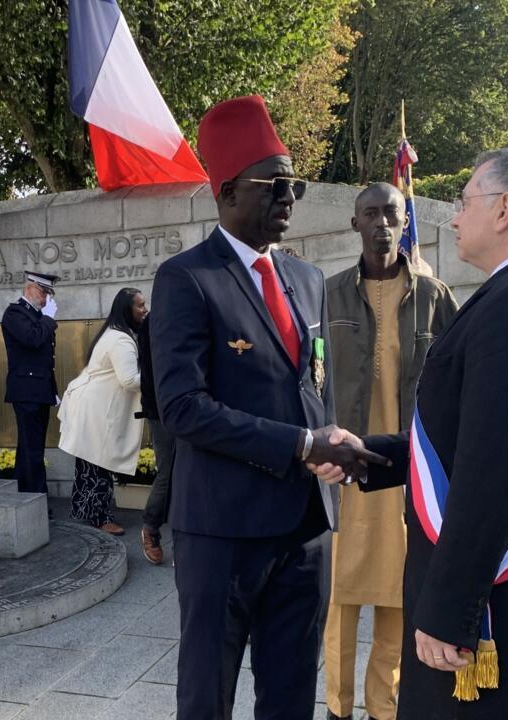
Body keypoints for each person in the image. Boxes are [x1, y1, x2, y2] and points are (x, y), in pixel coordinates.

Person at [314, 147, 508, 719]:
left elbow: (493, 471)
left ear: (504, 209)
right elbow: (474, 436)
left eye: (464, 200)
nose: (453, 217)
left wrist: (450, 612)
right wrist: (367, 453)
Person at [150, 95, 386, 720]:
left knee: (289, 694)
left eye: (295, 185)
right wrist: (303, 445)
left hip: (304, 529)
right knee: (208, 694)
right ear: (227, 192)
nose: (289, 199)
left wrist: (329, 437)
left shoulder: (305, 279)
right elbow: (182, 407)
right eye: (274, 186)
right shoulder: (187, 279)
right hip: (223, 531)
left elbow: (313, 382)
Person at [322, 183, 459, 720]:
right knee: (339, 604)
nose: (381, 223)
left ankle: (384, 708)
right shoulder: (324, 293)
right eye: (371, 214)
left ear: (405, 224)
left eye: (391, 215)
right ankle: (337, 707)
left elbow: (455, 386)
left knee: (398, 605)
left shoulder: (434, 296)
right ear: (354, 224)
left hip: (405, 477)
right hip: (342, 475)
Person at [58, 287, 148, 536]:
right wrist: (158, 376)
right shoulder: (121, 339)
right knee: (99, 462)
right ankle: (100, 517)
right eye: (140, 305)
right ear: (126, 309)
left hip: (92, 408)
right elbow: (129, 380)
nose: (144, 309)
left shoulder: (114, 332)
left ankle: (89, 511)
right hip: (96, 412)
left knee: (91, 463)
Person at [1, 270, 60, 496]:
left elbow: (46, 360)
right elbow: (32, 340)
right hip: (26, 392)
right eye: (42, 291)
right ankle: (35, 496)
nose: (45, 297)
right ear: (30, 288)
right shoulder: (15, 313)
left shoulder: (37, 315)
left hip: (39, 391)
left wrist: (51, 389)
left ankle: (28, 495)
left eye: (48, 293)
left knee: (32, 448)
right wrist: (48, 319)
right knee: (32, 449)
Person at [137, 309, 174, 565]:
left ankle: (186, 542)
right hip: (163, 411)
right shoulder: (154, 320)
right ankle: (151, 527)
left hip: (198, 407)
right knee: (169, 471)